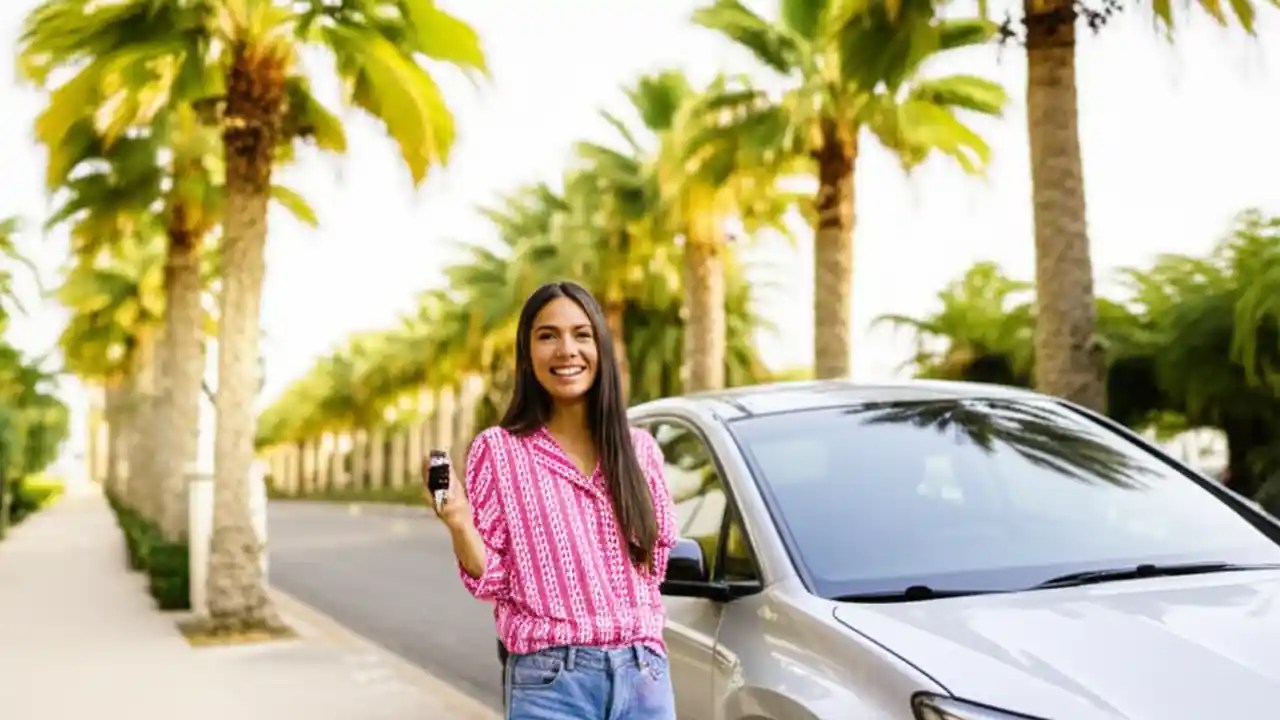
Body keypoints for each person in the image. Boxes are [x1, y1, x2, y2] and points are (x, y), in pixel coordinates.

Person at [427, 281, 679, 719]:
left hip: (644, 676)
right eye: (548, 336)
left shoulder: (639, 450)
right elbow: (494, 580)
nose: (567, 350)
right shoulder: (499, 450)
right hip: (552, 682)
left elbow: (654, 565)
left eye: (581, 335)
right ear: (527, 355)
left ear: (600, 346)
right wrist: (460, 523)